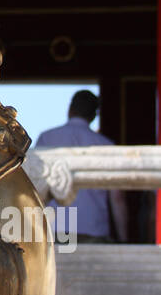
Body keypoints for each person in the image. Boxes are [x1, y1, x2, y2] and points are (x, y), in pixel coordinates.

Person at [34, 90, 128, 244]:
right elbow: (117, 199)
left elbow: (35, 188)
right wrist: (124, 239)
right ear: (93, 116)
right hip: (93, 230)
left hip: (54, 229)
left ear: (70, 109)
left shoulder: (47, 138)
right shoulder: (105, 145)